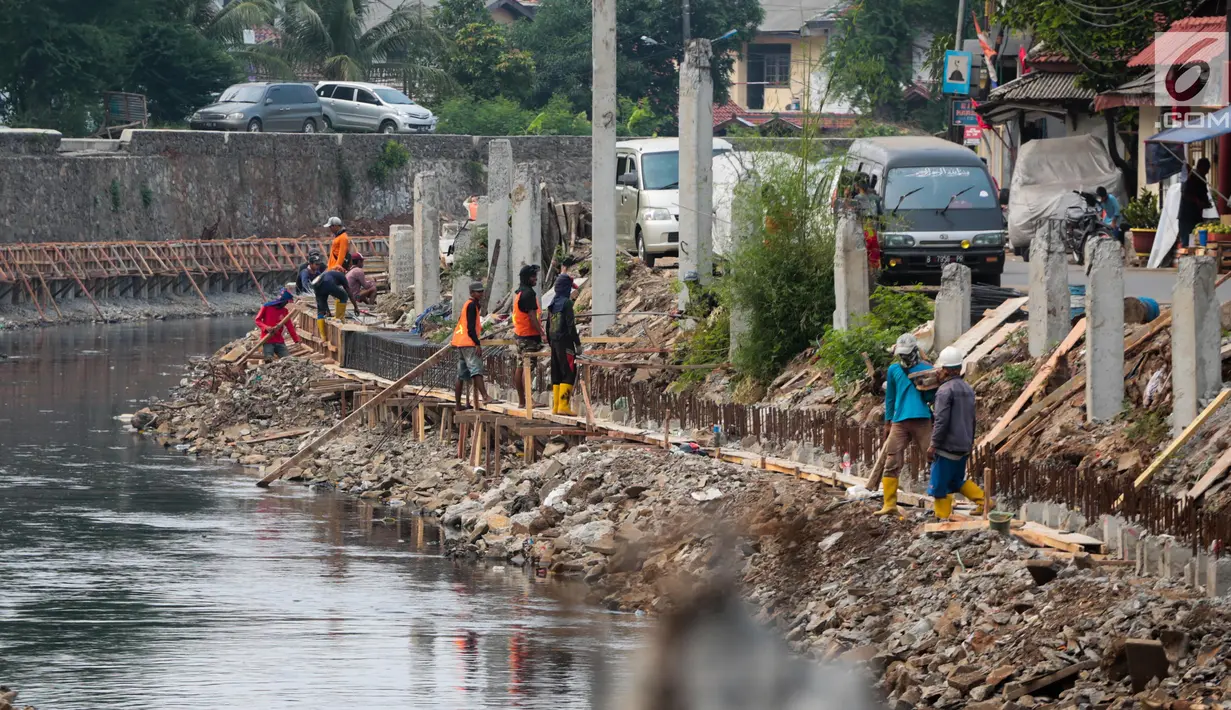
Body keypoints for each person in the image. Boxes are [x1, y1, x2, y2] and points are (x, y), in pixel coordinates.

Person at [876, 333, 934, 516]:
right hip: (899, 421)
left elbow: (931, 397)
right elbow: (890, 397)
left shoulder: (927, 369)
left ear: (915, 351)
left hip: (922, 419)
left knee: (933, 458)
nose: (904, 358)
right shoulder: (894, 370)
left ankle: (942, 504)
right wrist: (887, 422)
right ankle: (889, 504)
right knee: (892, 460)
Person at [927, 346, 986, 520]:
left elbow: (941, 421)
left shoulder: (945, 391)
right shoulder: (968, 389)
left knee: (939, 486)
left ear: (946, 370)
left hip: (947, 446)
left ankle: (942, 520)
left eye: (940, 369)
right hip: (964, 444)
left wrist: (933, 445)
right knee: (955, 481)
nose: (938, 372)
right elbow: (972, 418)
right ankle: (984, 502)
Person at [452, 281, 495, 410]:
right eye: (478, 292)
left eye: (482, 291)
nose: (481, 293)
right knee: (476, 369)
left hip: (460, 342)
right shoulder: (471, 306)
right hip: (468, 342)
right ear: (472, 293)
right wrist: (477, 343)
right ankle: (485, 396)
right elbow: (470, 328)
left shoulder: (469, 305)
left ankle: (458, 405)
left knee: (461, 374)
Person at [547, 273, 582, 415]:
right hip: (566, 343)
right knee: (569, 372)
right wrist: (577, 344)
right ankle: (564, 406)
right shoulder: (566, 303)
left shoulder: (552, 303)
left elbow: (548, 325)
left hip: (554, 343)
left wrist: (551, 343)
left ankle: (555, 407)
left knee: (557, 373)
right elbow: (570, 326)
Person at [512, 264, 544, 409]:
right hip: (529, 336)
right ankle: (530, 401)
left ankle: (522, 402)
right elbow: (532, 316)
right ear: (527, 278)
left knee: (520, 367)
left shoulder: (520, 293)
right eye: (533, 276)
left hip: (520, 335)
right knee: (527, 368)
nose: (535, 279)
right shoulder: (529, 294)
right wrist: (542, 334)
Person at [254, 285, 302, 360]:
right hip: (267, 340)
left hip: (279, 340)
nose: (286, 304)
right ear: (283, 301)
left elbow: (290, 326)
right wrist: (266, 327)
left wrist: (296, 340)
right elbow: (257, 320)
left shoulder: (285, 311)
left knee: (287, 360)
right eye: (286, 302)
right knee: (268, 359)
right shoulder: (267, 307)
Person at [1178, 158, 1212, 251]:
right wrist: (1198, 201)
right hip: (1187, 214)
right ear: (1200, 167)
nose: (1207, 171)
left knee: (1196, 241)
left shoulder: (1202, 178)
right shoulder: (1191, 176)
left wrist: (1206, 203)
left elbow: (1203, 194)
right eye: (1206, 169)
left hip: (1197, 215)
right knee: (1186, 242)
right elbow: (1185, 193)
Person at [312, 267, 350, 340]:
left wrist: (328, 311)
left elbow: (326, 297)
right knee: (344, 296)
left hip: (316, 286)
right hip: (327, 283)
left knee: (321, 310)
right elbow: (349, 292)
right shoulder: (340, 275)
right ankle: (339, 319)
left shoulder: (327, 274)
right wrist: (355, 306)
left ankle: (323, 337)